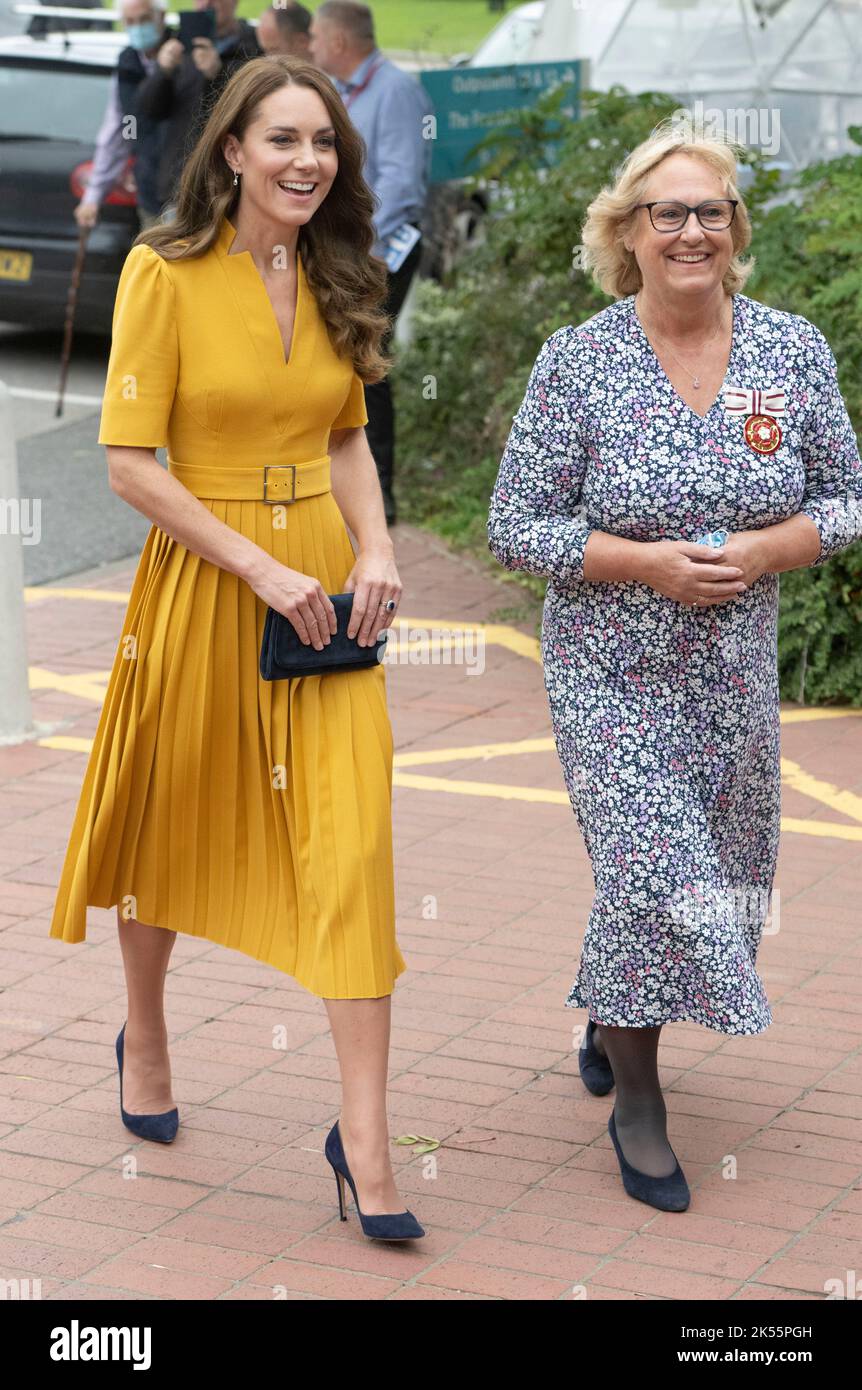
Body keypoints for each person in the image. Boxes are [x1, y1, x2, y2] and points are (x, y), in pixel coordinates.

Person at [48, 53, 425, 1242]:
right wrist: (255, 564)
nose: (308, 160)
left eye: (323, 141)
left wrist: (373, 548)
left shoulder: (339, 268)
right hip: (209, 580)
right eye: (283, 140)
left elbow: (349, 436)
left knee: (353, 847)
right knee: (165, 819)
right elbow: (127, 464)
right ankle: (146, 1033)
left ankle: (364, 1142)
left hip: (324, 595)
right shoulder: (164, 273)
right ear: (231, 152)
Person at [487, 120, 862, 1213]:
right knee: (663, 873)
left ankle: (610, 1015)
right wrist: (643, 564)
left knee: (716, 888)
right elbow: (517, 524)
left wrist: (767, 547)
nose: (691, 230)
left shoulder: (789, 351)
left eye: (710, 212)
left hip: (735, 679)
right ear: (629, 234)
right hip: (608, 671)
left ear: (735, 229)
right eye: (668, 213)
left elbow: (844, 500)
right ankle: (638, 1102)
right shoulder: (580, 360)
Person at [310, 1, 433, 524]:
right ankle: (343, 485)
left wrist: (357, 248)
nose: (310, 46)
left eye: (316, 37)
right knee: (345, 362)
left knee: (368, 364)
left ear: (339, 41)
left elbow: (402, 186)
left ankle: (381, 497)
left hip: (381, 253)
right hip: (348, 253)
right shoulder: (340, 93)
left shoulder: (396, 91)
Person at [134, 0, 260, 217]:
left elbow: (252, 113)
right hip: (178, 187)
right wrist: (162, 71)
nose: (208, 4)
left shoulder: (253, 46)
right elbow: (147, 110)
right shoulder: (180, 42)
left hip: (230, 191)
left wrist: (218, 74)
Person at [75, 0, 173, 232]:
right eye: (130, 21)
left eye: (144, 19)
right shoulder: (127, 65)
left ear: (162, 16)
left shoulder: (186, 57)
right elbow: (120, 130)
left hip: (185, 194)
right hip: (150, 194)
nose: (138, 27)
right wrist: (93, 196)